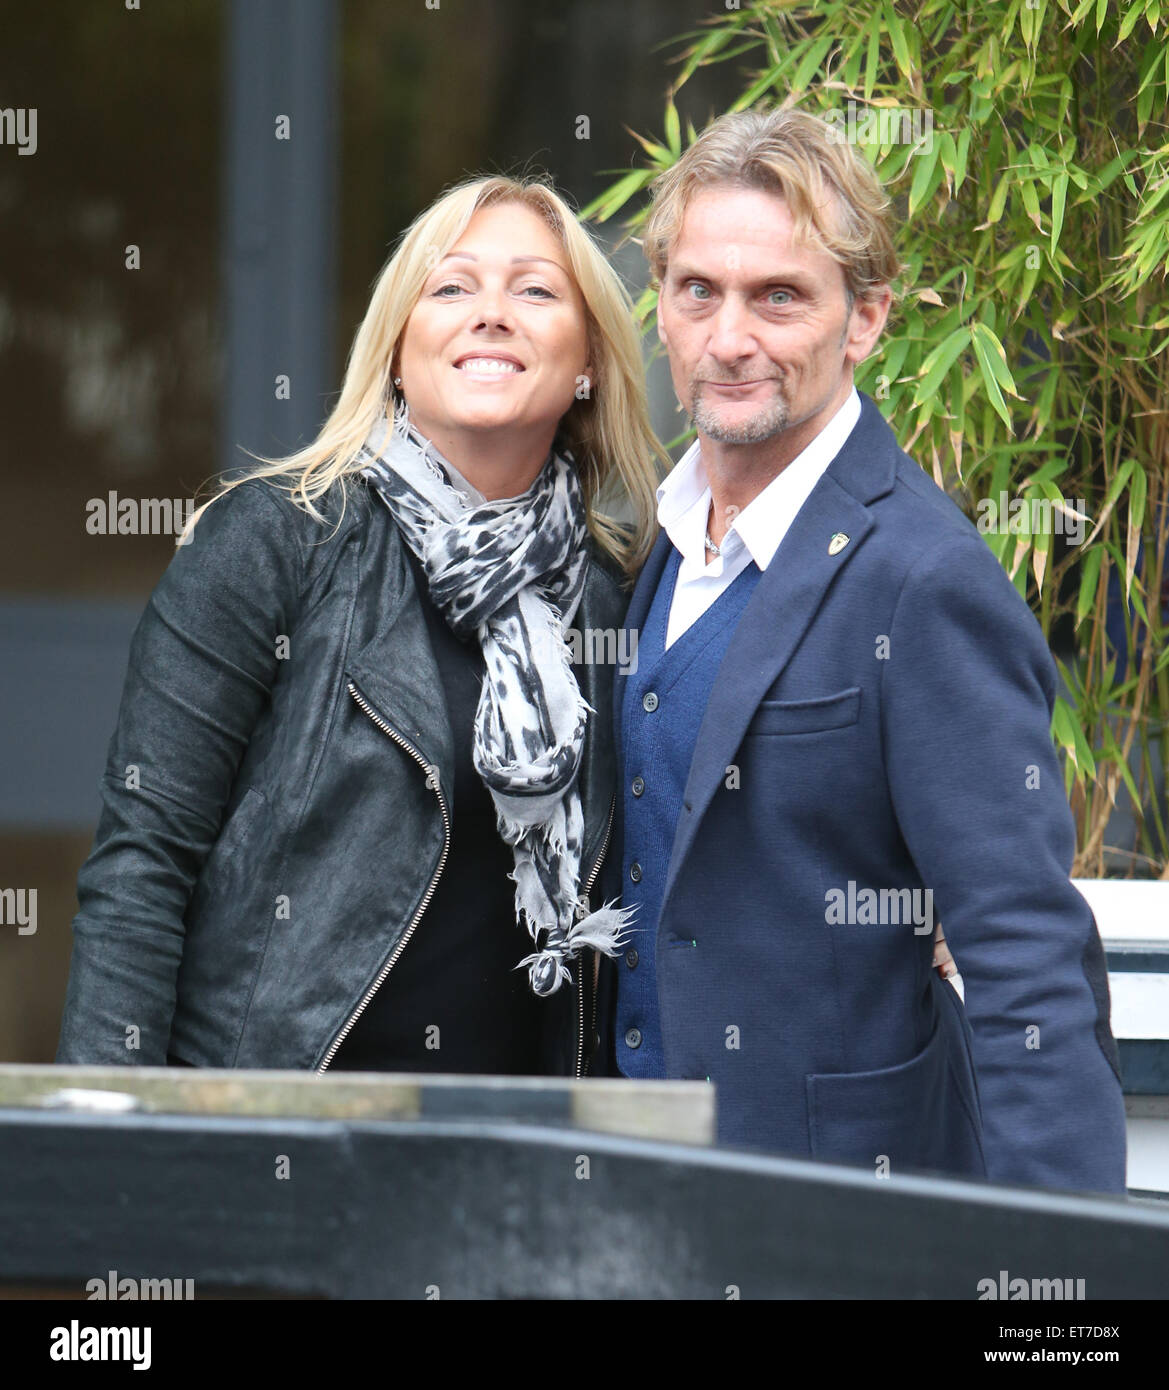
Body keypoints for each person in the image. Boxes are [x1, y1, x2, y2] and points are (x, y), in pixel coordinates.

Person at [597, 109, 1128, 1194]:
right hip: (632, 1193)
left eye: (778, 296)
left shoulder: (921, 577)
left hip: (838, 1210)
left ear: (866, 320)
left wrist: (1061, 1295)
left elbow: (1025, 957)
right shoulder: (651, 539)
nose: (729, 335)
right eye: (698, 290)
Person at [55, 175, 664, 1078]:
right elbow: (144, 865)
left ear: (587, 364)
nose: (490, 313)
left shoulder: (623, 596)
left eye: (534, 290)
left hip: (513, 1159)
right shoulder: (275, 540)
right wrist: (114, 1135)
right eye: (451, 287)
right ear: (394, 348)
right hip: (280, 1133)